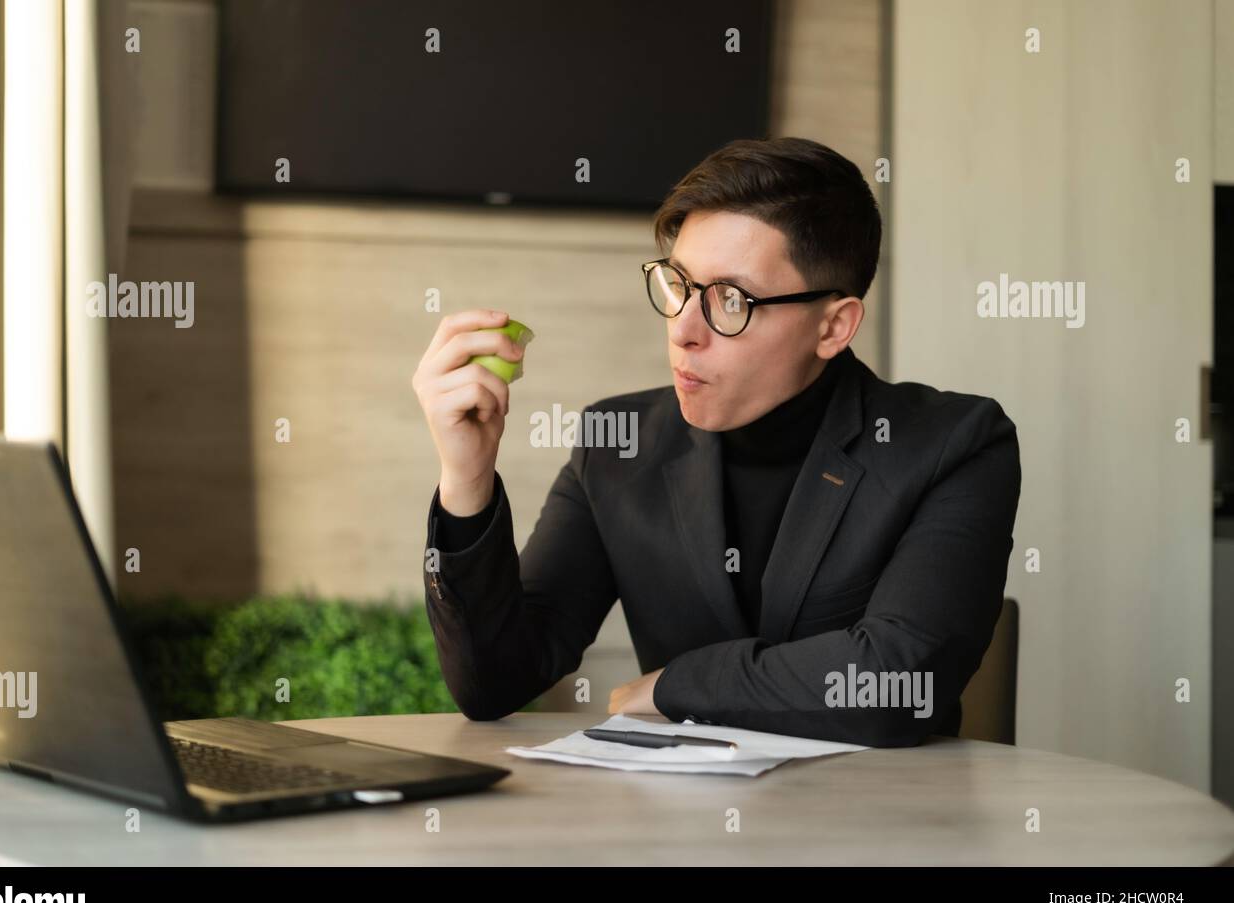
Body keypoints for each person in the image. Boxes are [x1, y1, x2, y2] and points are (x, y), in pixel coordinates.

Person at [410, 137, 1020, 747]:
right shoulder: (618, 444)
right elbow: (495, 682)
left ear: (834, 326)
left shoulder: (953, 444)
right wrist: (467, 478)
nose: (683, 330)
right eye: (678, 284)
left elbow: (893, 681)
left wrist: (678, 684)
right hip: (684, 831)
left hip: (880, 829)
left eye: (732, 299)